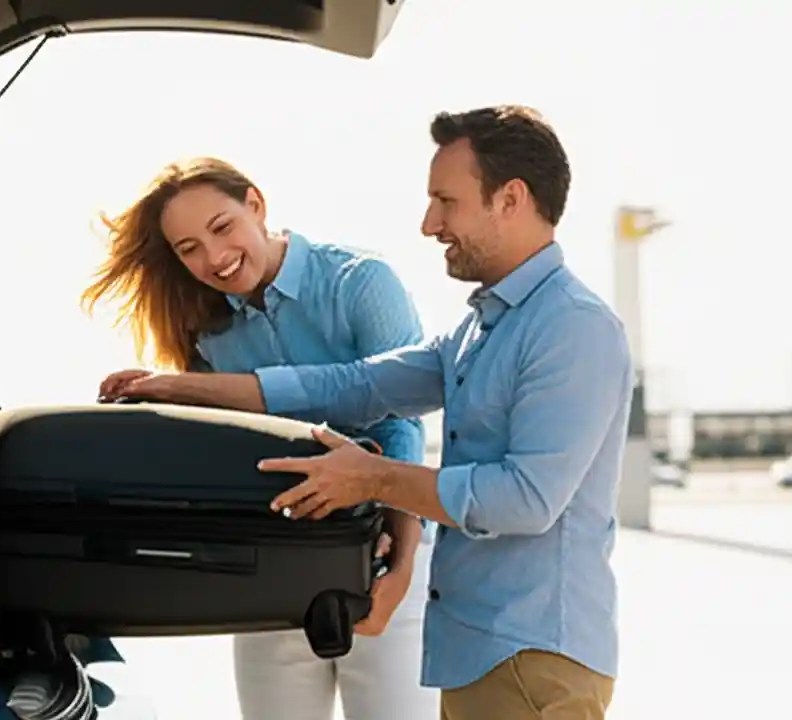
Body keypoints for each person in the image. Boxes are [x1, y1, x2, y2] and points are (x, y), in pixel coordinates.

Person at [99, 106, 632, 719]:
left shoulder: (571, 326)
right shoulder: (478, 330)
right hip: (476, 649)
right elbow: (351, 386)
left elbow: (525, 500)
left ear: (509, 199)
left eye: (445, 201)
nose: (429, 223)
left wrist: (374, 485)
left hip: (532, 653)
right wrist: (178, 389)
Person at [84, 156, 438, 720]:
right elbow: (222, 448)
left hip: (380, 556)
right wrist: (162, 397)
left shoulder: (360, 282)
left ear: (255, 204)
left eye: (222, 228)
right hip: (271, 571)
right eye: (188, 248)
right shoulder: (204, 328)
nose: (214, 258)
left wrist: (403, 559)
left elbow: (398, 419)